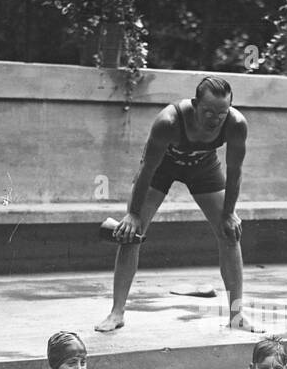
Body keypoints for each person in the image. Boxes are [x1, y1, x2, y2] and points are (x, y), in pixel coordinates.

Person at [96, 76, 257, 333]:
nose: (214, 119)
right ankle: (117, 312)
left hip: (203, 167)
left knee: (230, 233)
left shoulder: (236, 125)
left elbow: (235, 171)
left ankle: (237, 315)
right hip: (162, 168)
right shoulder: (168, 123)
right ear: (194, 104)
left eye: (221, 113)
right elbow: (146, 170)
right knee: (131, 235)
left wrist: (229, 213)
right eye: (208, 112)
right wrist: (133, 214)